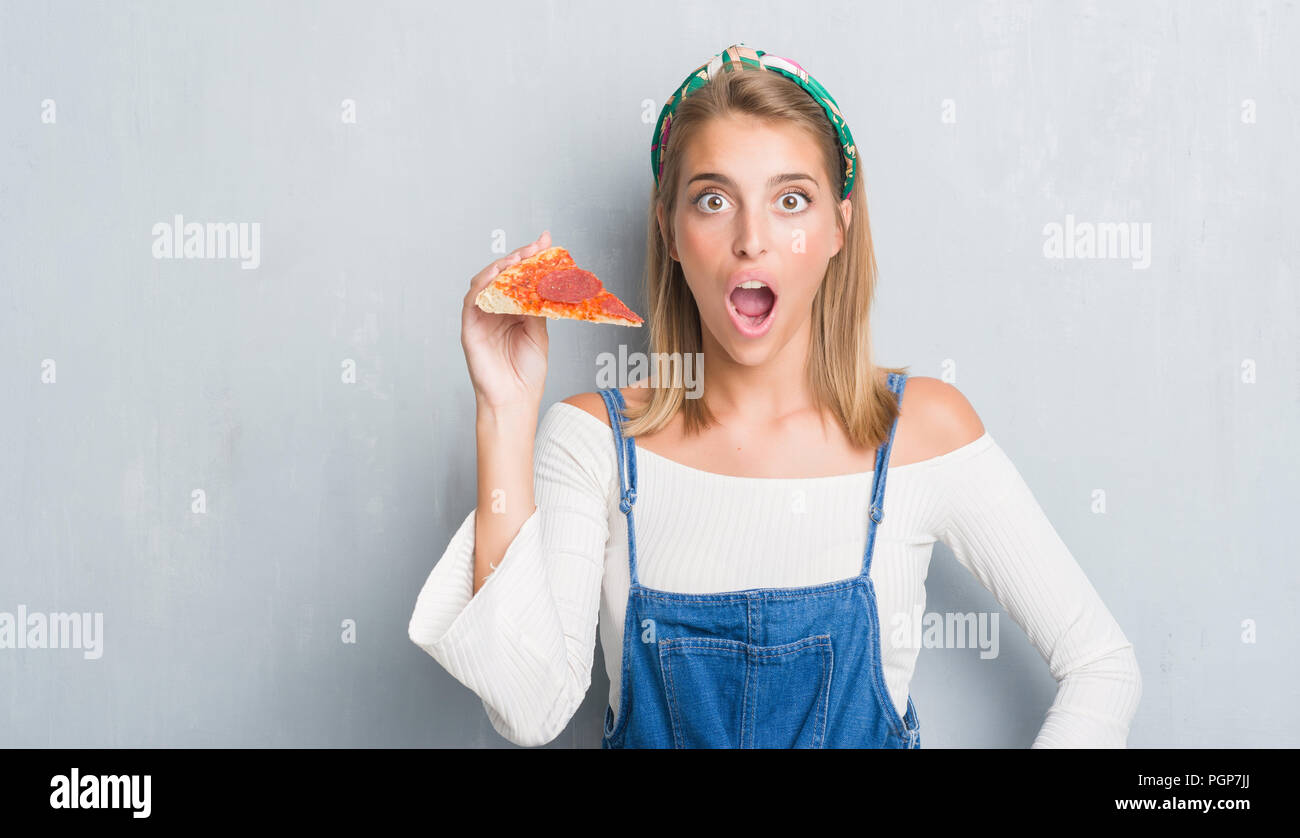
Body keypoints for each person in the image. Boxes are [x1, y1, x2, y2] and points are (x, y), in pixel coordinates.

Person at [409, 43, 1141, 748]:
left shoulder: (922, 432)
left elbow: (1101, 666)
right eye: (713, 200)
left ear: (837, 231)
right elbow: (528, 709)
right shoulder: (593, 439)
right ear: (668, 232)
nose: (751, 239)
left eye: (791, 199)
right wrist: (504, 412)